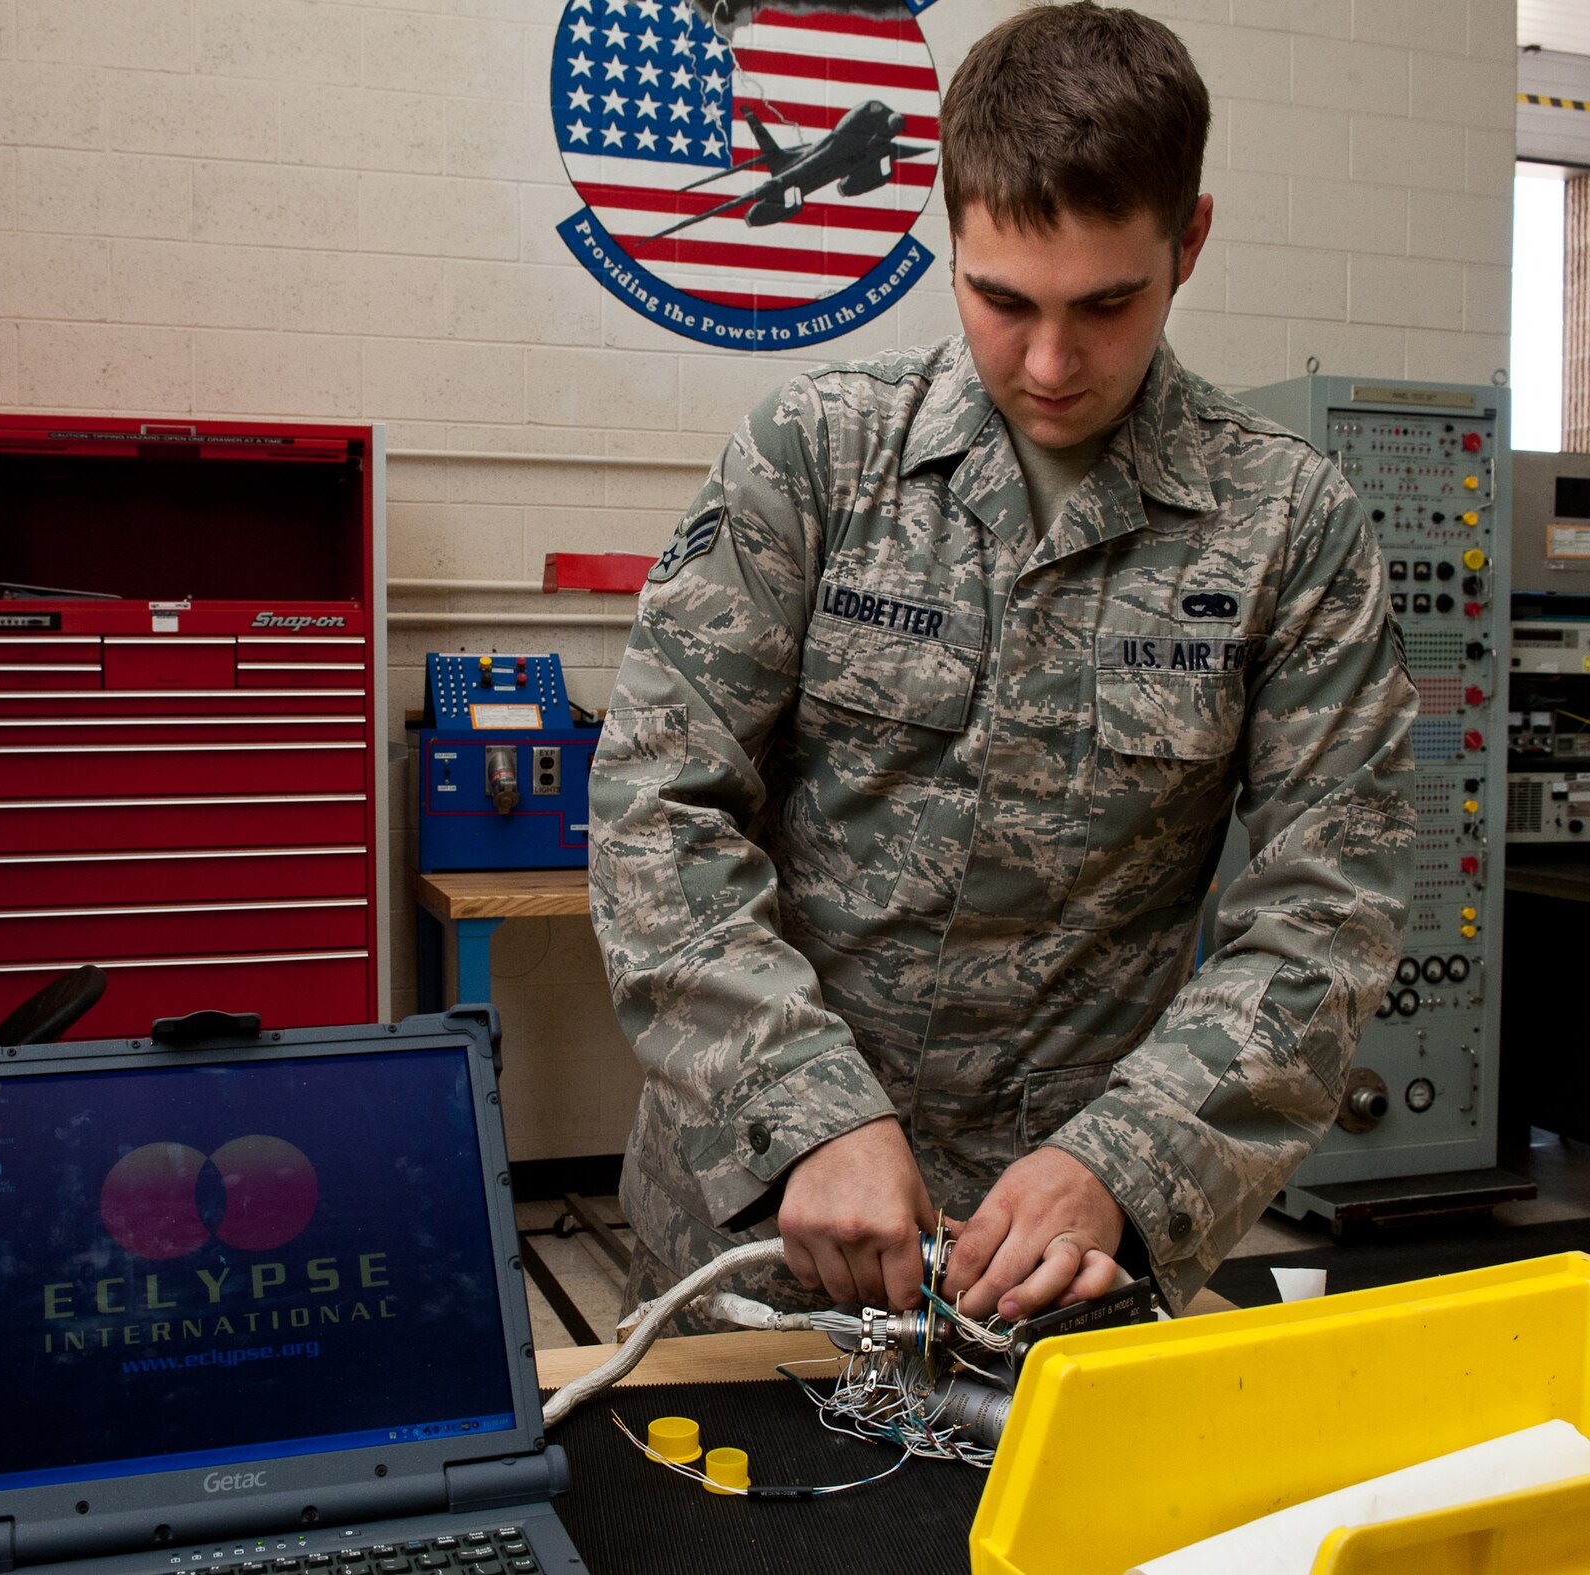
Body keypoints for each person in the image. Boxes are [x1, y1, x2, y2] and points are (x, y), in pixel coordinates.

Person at [586, 1, 1417, 1325]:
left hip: (1066, 1262)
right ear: (949, 228)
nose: (1049, 361)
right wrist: (803, 1104)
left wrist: (1130, 1161)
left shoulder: (1289, 528)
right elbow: (657, 808)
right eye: (1001, 299)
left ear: (1189, 241)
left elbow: (1329, 908)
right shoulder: (817, 458)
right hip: (759, 1227)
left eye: (1107, 303)